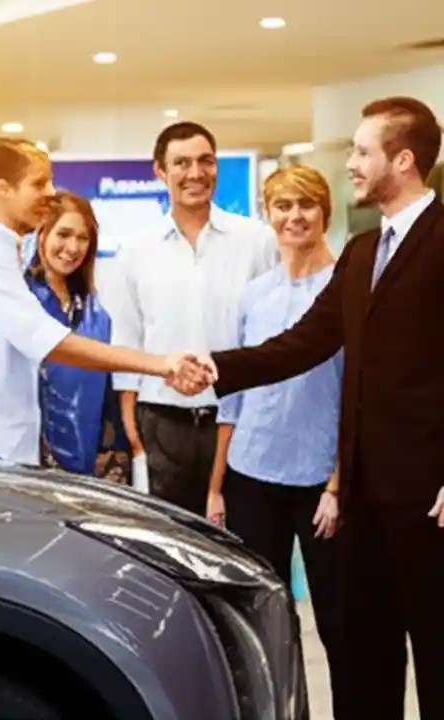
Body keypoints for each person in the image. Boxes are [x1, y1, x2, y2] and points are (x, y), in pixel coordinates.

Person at [187, 96, 443, 720]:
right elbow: (303, 343)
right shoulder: (361, 253)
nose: (350, 164)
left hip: (429, 496)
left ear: (402, 160)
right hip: (362, 495)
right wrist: (217, 366)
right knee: (363, 651)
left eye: (361, 151)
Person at [0, 137, 209, 464]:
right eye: (38, 183)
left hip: (12, 449)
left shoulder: (7, 252)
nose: (50, 192)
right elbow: (48, 341)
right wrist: (161, 364)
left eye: (83, 238)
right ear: (4, 189)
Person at [205, 165, 342, 694]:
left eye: (305, 204)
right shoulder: (254, 295)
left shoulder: (344, 290)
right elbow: (233, 402)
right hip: (253, 472)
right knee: (263, 621)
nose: (294, 217)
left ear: (324, 211)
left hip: (319, 481)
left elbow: (357, 396)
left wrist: (336, 484)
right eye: (282, 206)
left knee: (336, 618)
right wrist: (218, 486)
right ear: (268, 216)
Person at [104, 121, 278, 514]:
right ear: (160, 171)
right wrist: (131, 425)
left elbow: (270, 333)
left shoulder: (257, 241)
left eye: (206, 161)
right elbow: (128, 338)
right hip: (162, 420)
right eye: (181, 163)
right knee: (170, 542)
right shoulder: (136, 251)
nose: (196, 173)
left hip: (240, 420)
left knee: (242, 537)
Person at [25, 191, 129, 480]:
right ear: (42, 234)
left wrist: (113, 455)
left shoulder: (95, 310)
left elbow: (108, 390)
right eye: (64, 234)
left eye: (83, 238)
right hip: (30, 464)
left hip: (89, 467)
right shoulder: (22, 300)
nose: (72, 247)